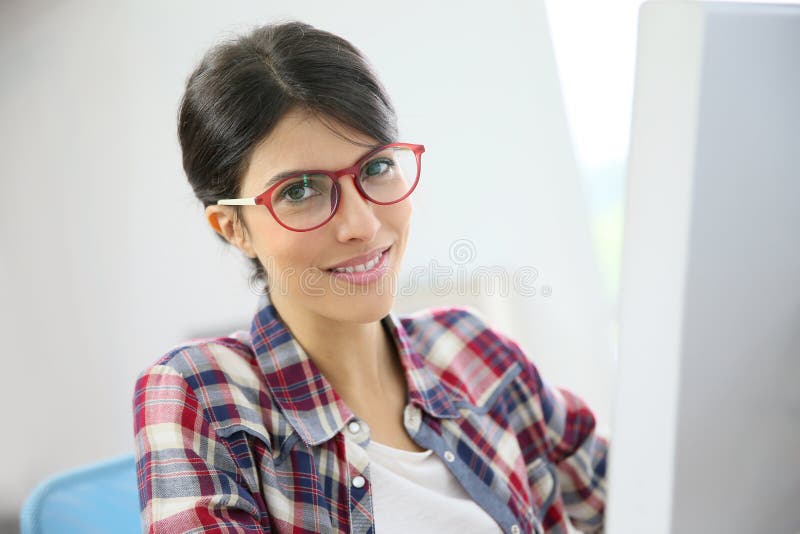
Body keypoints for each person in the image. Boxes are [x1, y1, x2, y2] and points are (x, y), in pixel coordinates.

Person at [133, 21, 608, 534]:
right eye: (299, 191)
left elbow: (651, 498)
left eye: (376, 168)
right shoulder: (203, 396)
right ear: (234, 228)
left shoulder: (476, 354)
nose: (362, 224)